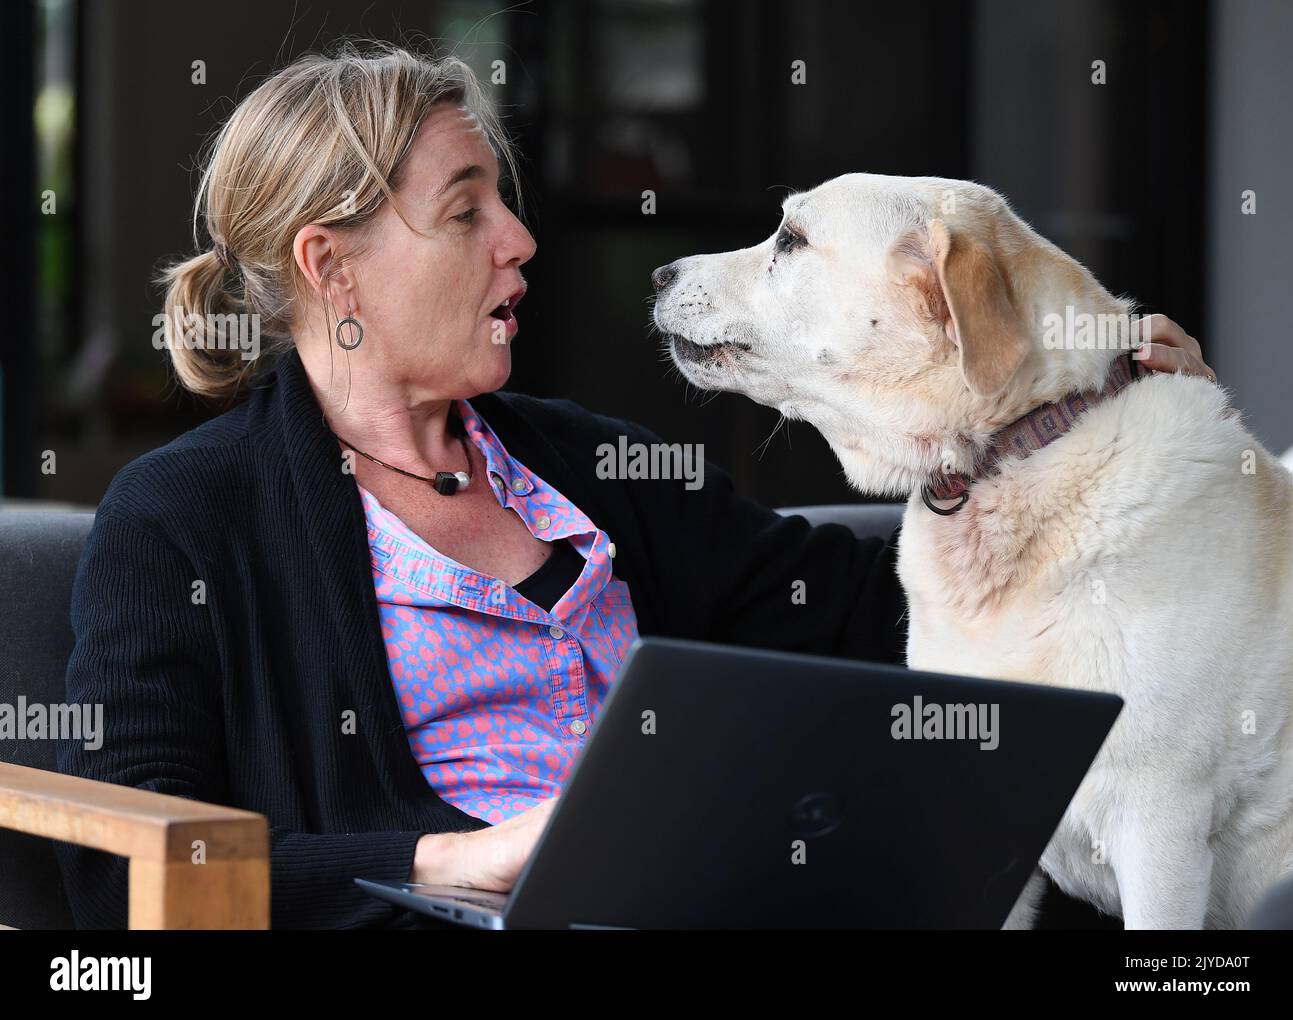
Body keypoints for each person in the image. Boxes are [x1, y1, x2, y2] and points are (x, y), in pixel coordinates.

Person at [54, 42, 1217, 929]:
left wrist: (1071, 431)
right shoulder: (184, 519)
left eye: (500, 201)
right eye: (465, 211)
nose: (517, 238)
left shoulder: (583, 465)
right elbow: (122, 860)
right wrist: (443, 860)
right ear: (330, 265)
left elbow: (870, 604)